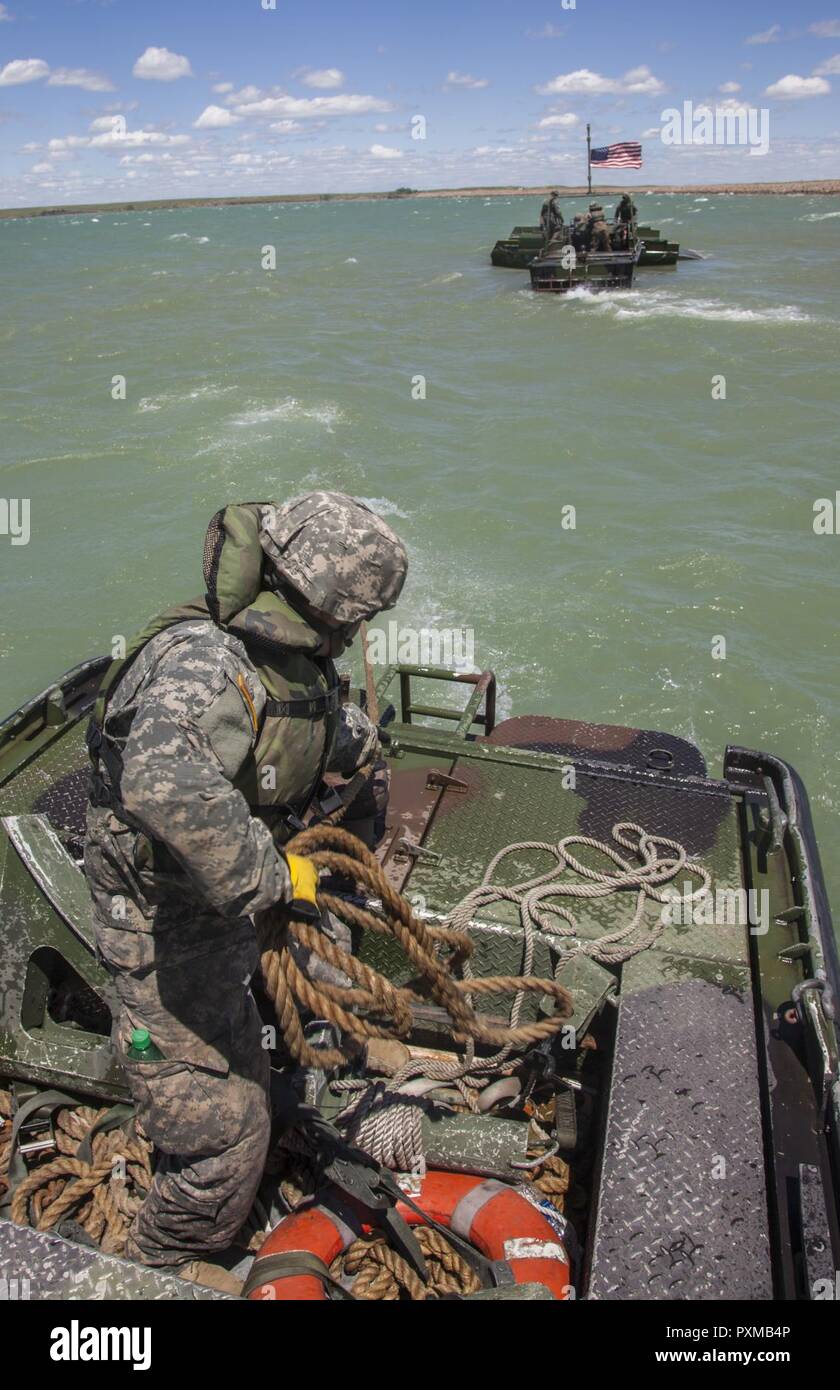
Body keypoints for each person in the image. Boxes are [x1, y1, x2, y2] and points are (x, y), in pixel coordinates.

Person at [83, 493, 408, 1290]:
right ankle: (152, 1265)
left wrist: (355, 743)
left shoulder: (282, 655)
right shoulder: (206, 663)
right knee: (230, 1139)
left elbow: (299, 717)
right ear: (333, 611)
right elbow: (162, 783)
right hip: (161, 924)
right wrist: (271, 875)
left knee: (298, 1017)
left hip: (219, 906)